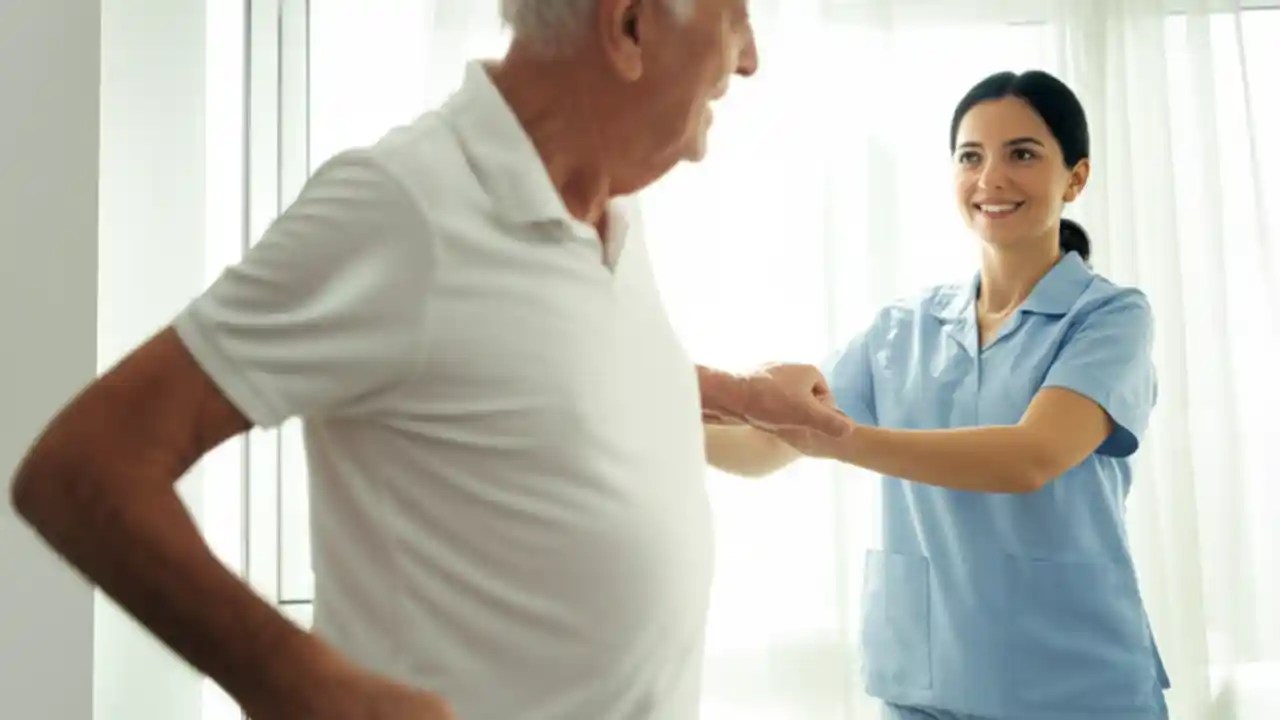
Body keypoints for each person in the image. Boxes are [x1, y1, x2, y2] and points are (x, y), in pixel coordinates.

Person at [8, 2, 854, 719]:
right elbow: (84, 468)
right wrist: (297, 682)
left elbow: (545, 381)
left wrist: (742, 395)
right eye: (736, 13)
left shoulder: (612, 216)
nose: (748, 59)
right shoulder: (402, 209)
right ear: (628, 25)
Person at [707, 70, 1170, 719]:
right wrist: (651, 412)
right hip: (926, 693)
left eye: (1023, 154)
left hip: (1076, 689)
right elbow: (765, 445)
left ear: (1076, 177)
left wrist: (840, 440)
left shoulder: (1109, 318)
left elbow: (1029, 457)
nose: (991, 178)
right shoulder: (903, 329)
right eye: (970, 157)